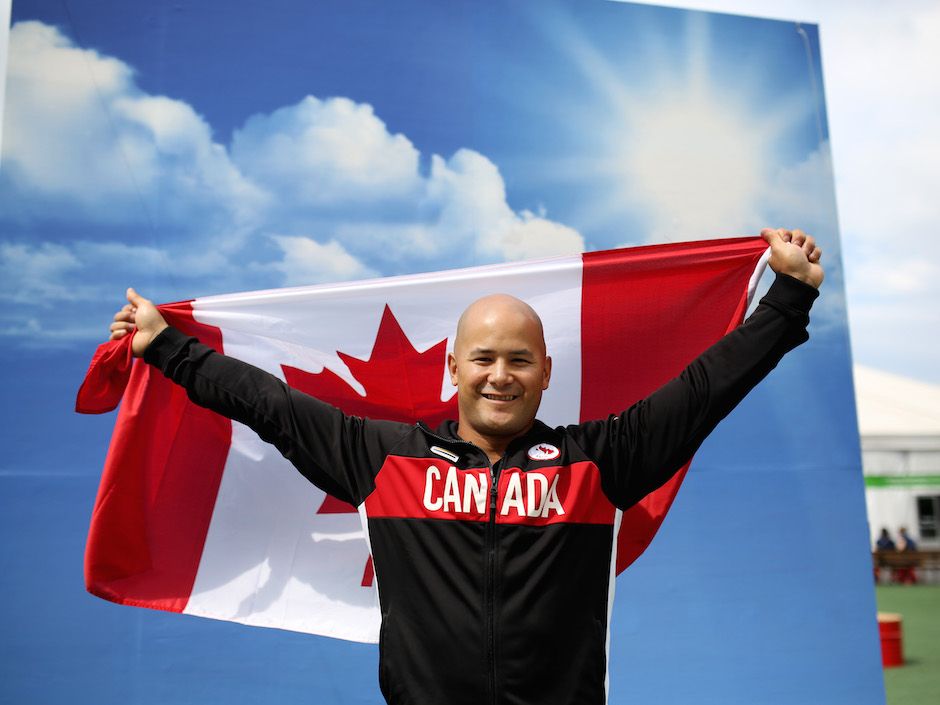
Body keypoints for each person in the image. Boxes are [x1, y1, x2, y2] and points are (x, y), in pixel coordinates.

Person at [108, 228, 822, 705]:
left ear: (547, 372)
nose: (500, 375)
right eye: (483, 358)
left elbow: (705, 390)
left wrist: (788, 297)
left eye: (519, 360)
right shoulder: (383, 459)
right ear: (454, 369)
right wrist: (166, 346)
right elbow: (269, 404)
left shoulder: (597, 462)